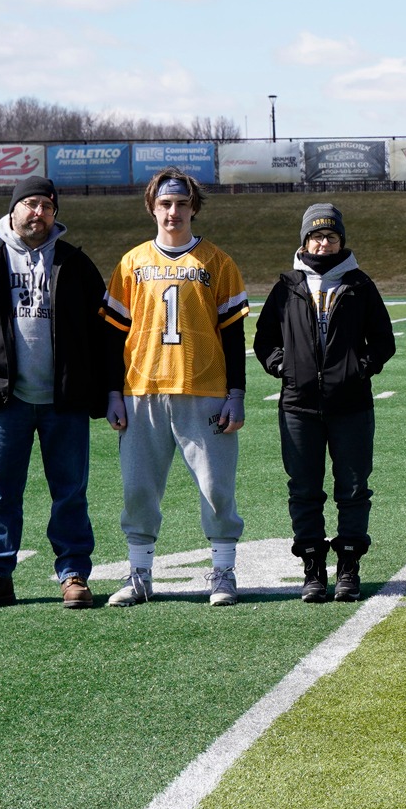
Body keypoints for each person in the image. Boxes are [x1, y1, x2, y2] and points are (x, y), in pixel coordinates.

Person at [0, 176, 111, 610]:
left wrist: (98, 389)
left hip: (63, 401)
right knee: (0, 491)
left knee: (70, 491)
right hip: (4, 400)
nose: (38, 213)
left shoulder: (74, 262)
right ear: (13, 210)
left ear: (55, 214)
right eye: (30, 204)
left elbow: (104, 330)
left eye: (46, 206)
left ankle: (73, 573)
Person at [101, 167, 250, 607]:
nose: (173, 212)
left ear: (194, 208)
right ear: (152, 207)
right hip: (142, 389)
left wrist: (236, 393)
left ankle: (223, 572)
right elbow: (113, 333)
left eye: (182, 203)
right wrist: (112, 392)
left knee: (216, 489)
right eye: (165, 204)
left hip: (203, 388)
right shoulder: (131, 263)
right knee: (138, 489)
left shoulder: (217, 262)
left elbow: (234, 335)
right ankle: (140, 573)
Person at [254, 204, 396, 602]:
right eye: (316, 236)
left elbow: (384, 341)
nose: (323, 242)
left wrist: (360, 369)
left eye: (331, 236)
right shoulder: (287, 286)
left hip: (351, 405)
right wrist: (284, 367)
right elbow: (264, 340)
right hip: (299, 406)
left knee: (352, 489)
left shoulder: (359, 285)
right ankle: (313, 569)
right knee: (303, 490)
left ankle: (349, 567)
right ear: (304, 241)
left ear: (341, 241)